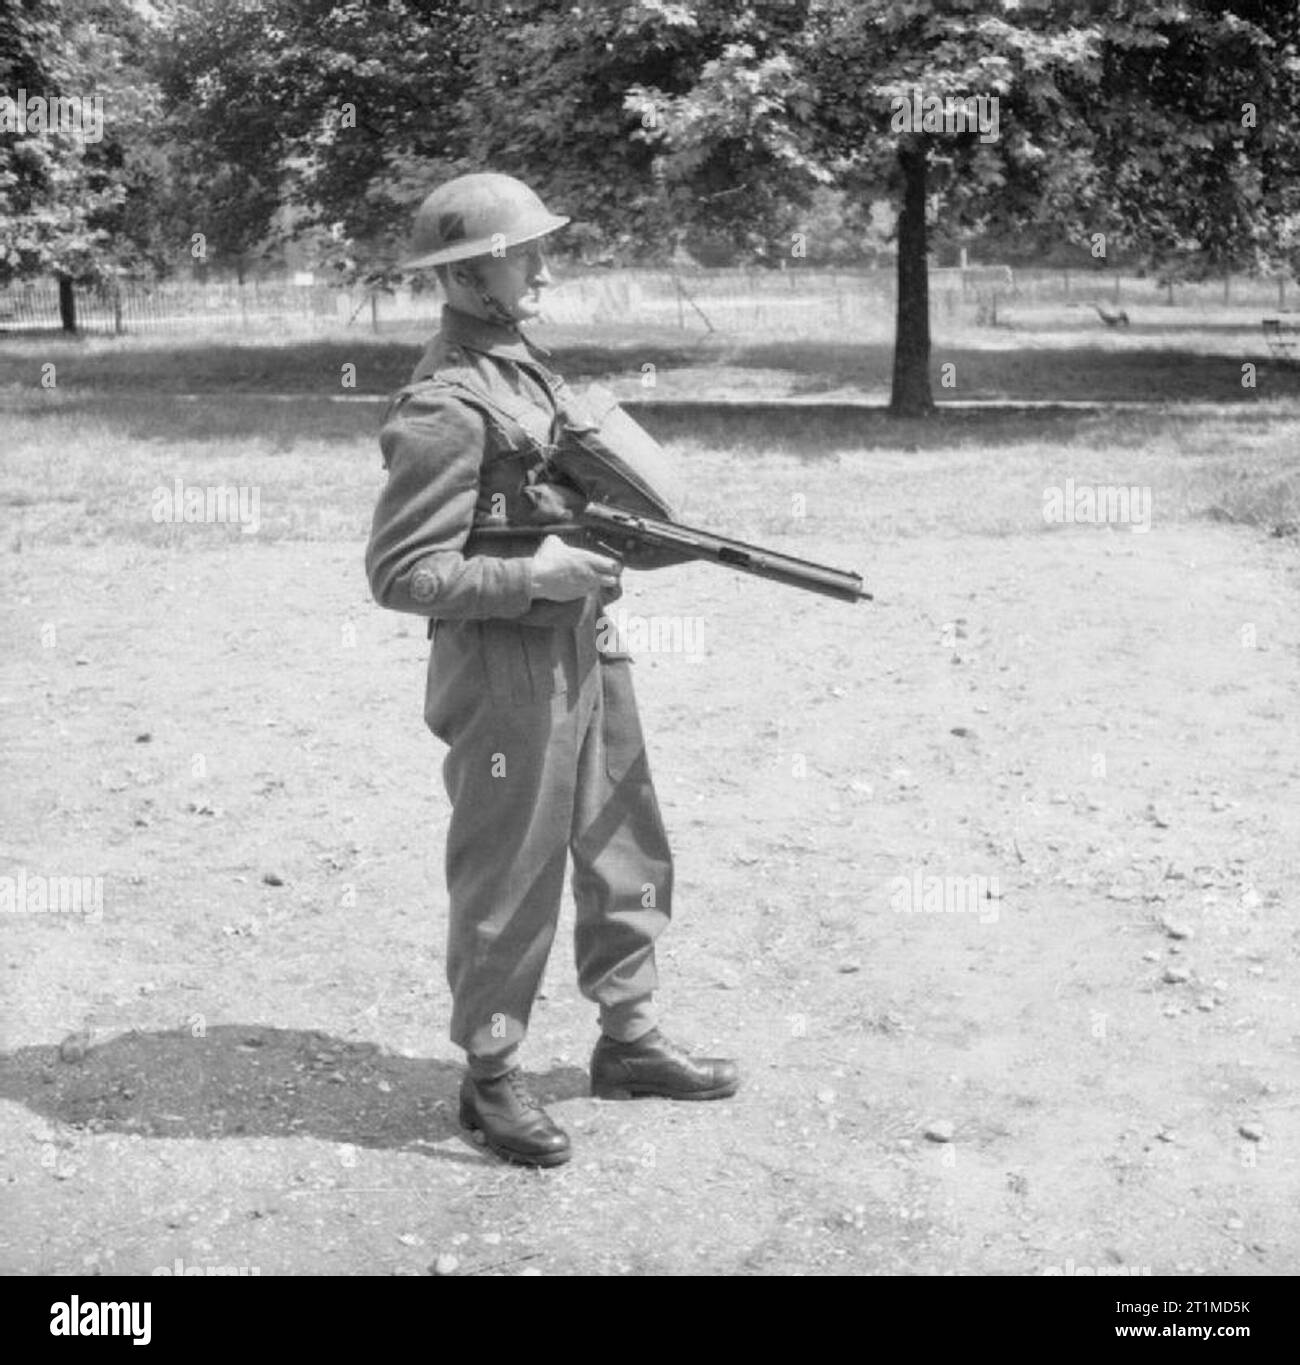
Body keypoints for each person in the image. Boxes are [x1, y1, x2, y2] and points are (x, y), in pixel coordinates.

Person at [365, 173, 739, 1168]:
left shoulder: (521, 368)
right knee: (511, 867)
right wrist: (535, 570)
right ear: (470, 271)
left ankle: (630, 1038)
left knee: (624, 834)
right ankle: (489, 1079)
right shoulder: (442, 406)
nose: (544, 264)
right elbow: (403, 576)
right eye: (525, 250)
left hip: (583, 639)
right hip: (504, 667)